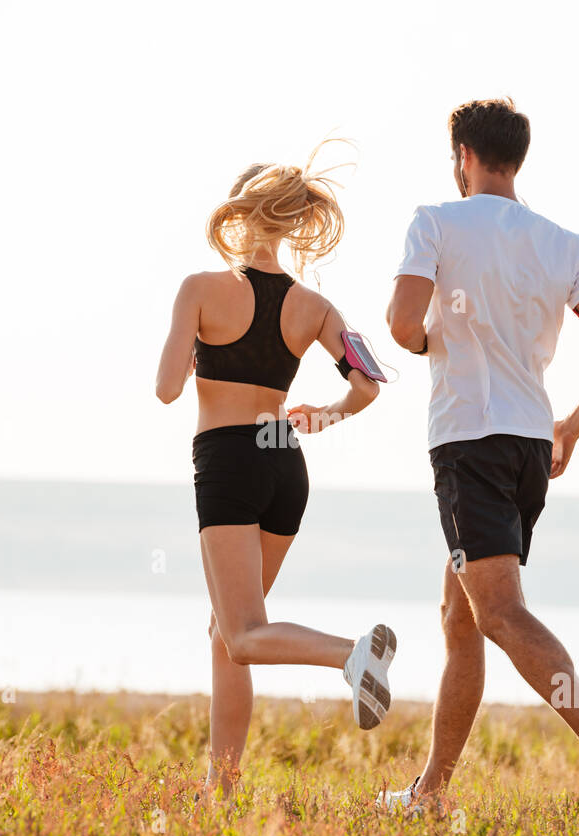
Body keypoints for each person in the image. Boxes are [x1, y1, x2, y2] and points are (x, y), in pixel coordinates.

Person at [383, 98, 579, 833]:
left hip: (469, 442)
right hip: (532, 444)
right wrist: (575, 425)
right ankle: (432, 790)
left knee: (498, 611)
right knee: (461, 613)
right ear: (516, 160)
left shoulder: (435, 221)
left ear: (463, 157)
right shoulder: (560, 241)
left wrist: (430, 339)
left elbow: (403, 324)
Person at [155, 145, 398, 798]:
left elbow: (165, 390)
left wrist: (193, 352)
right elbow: (370, 385)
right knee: (226, 630)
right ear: (293, 222)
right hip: (285, 462)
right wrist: (322, 417)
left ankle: (352, 652)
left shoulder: (200, 289)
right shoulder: (314, 307)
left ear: (241, 214)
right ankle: (221, 792)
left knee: (243, 632)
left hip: (228, 462)